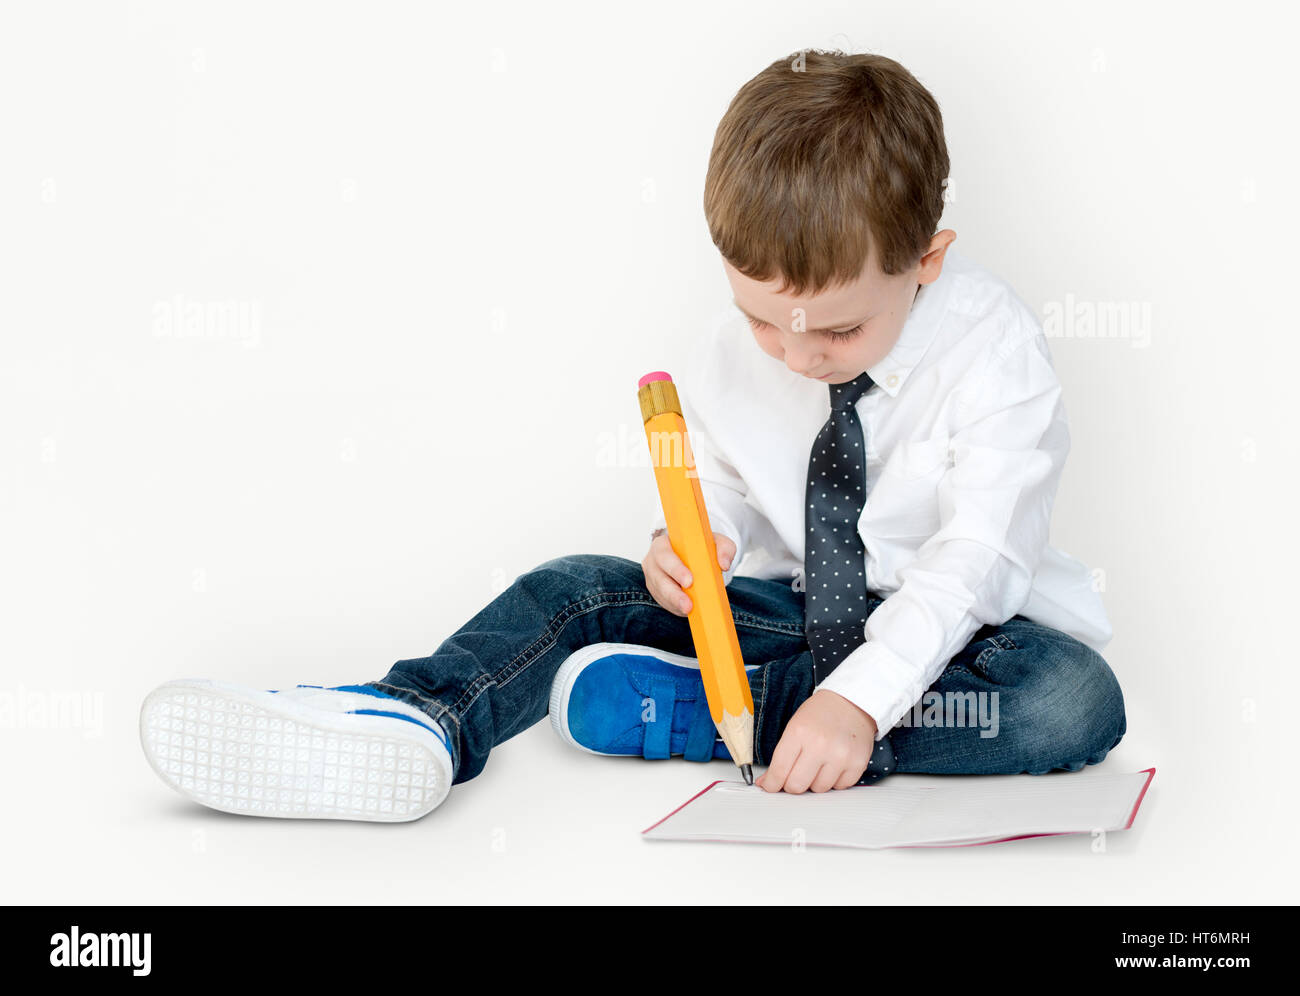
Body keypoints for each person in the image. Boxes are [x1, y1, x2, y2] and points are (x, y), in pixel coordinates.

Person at [140, 49, 1125, 823]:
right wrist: (698, 547)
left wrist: (860, 701)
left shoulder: (994, 349)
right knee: (575, 588)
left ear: (927, 260)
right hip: (784, 615)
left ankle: (728, 714)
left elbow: (976, 558)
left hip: (959, 642)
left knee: (1068, 703)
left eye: (837, 330)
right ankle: (422, 719)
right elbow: (733, 488)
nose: (795, 355)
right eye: (761, 320)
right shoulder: (738, 348)